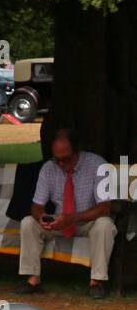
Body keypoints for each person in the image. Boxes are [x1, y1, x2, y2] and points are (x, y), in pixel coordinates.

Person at [19, 126, 115, 299]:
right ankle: (32, 279)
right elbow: (36, 205)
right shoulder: (49, 168)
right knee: (28, 222)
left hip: (87, 221)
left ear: (77, 151)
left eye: (66, 159)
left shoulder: (97, 165)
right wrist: (42, 217)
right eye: (58, 159)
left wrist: (73, 218)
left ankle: (97, 281)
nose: (61, 164)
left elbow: (104, 208)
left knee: (105, 224)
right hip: (59, 221)